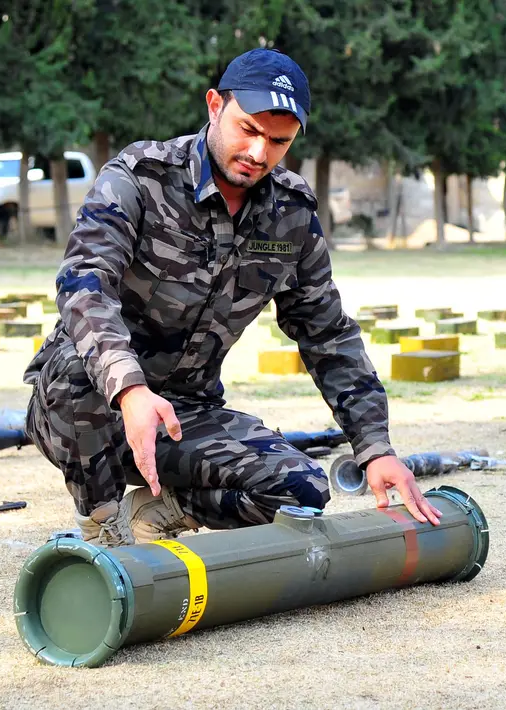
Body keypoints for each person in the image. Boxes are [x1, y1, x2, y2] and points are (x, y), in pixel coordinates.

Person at [22, 49, 441, 547]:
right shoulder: (139, 177)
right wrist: (130, 388)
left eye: (279, 141)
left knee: (300, 491)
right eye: (248, 129)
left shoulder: (292, 214)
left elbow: (326, 332)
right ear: (214, 105)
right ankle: (104, 524)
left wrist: (375, 448)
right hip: (90, 408)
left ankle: (159, 511)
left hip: (186, 416)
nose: (259, 153)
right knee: (73, 369)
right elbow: (84, 284)